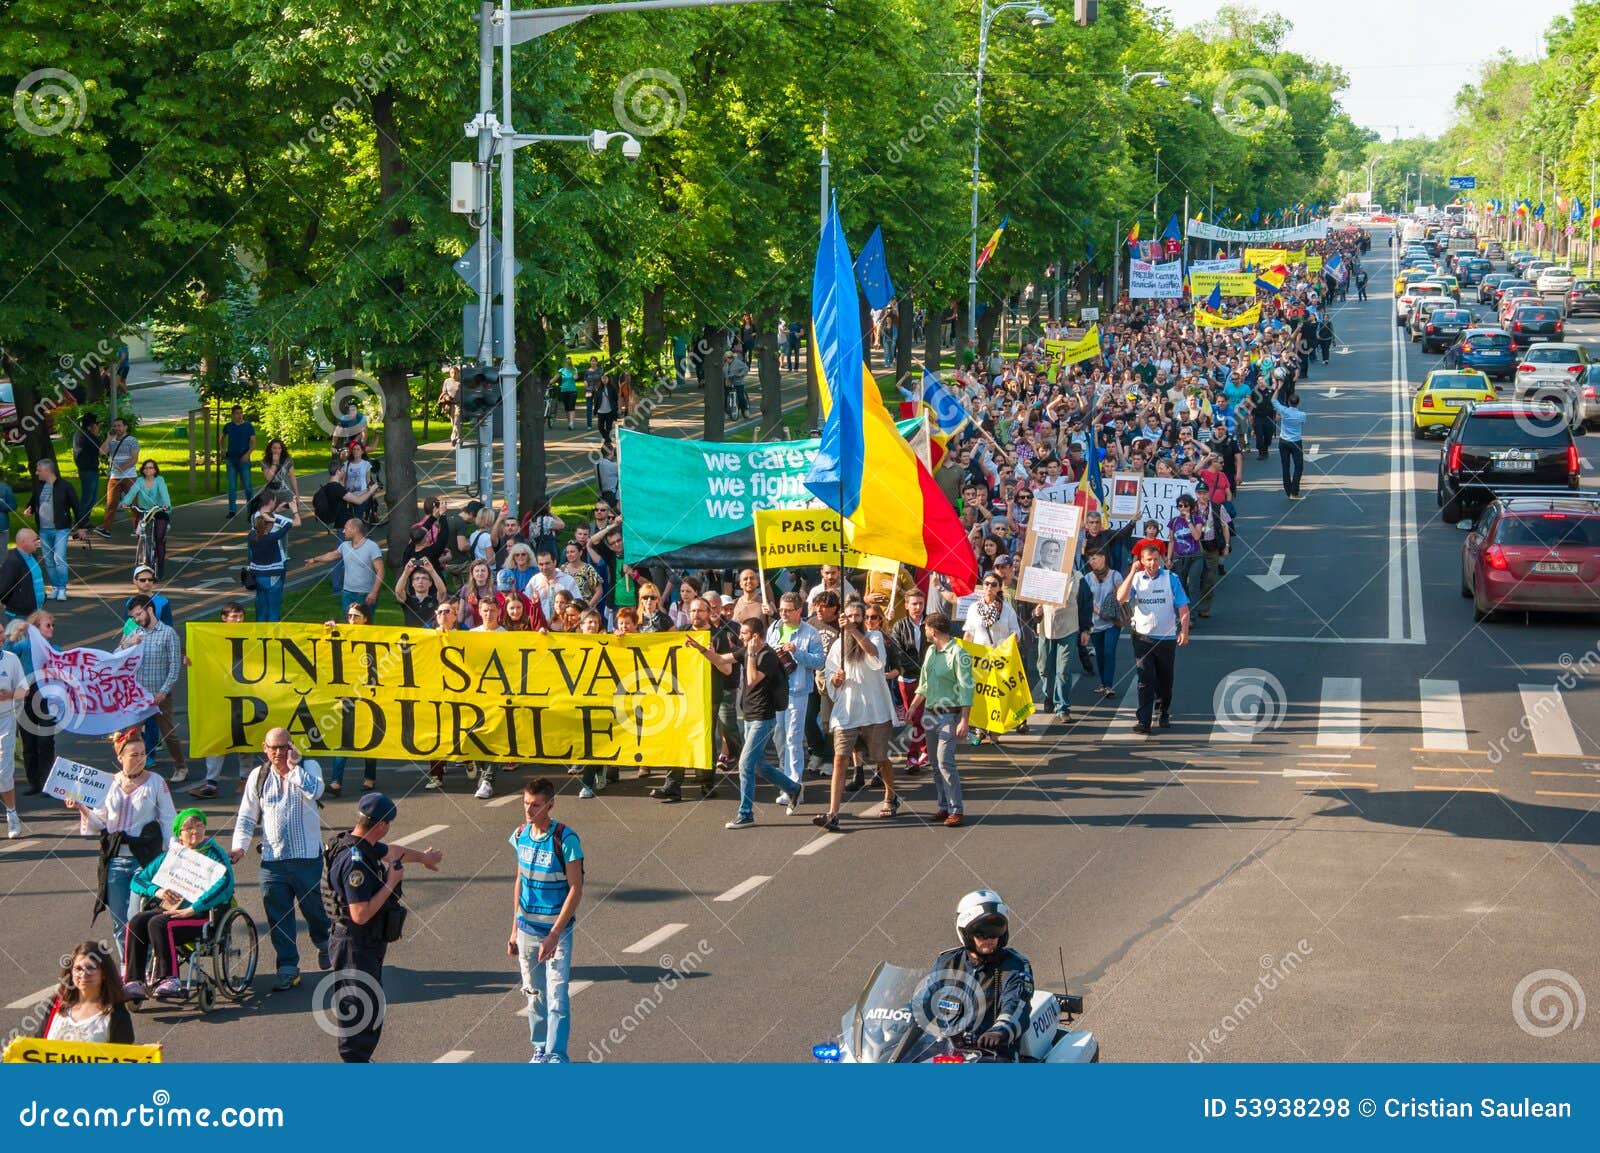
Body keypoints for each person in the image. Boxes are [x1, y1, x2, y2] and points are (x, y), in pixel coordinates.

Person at [324, 791, 444, 1061]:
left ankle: (361, 1059)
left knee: (369, 1004)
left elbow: (393, 851)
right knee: (359, 1008)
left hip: (363, 942)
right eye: (388, 823)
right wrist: (391, 882)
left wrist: (423, 858)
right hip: (355, 943)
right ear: (381, 825)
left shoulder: (358, 843)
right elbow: (360, 913)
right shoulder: (355, 861)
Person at [231, 727, 331, 991]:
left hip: (307, 859)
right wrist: (239, 847)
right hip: (272, 861)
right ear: (264, 748)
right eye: (273, 748)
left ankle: (324, 942)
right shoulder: (258, 775)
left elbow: (316, 791)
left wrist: (294, 768)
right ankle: (288, 967)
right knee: (278, 915)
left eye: (283, 747)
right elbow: (247, 815)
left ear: (292, 746)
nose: (278, 753)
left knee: (314, 910)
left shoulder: (309, 767)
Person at [68, 727, 176, 954]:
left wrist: (176, 853)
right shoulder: (108, 783)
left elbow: (169, 820)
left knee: (137, 919)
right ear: (120, 757)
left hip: (144, 861)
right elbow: (99, 822)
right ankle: (127, 967)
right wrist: (81, 807)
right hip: (115, 862)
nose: (140, 759)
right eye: (134, 755)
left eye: (143, 753)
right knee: (120, 923)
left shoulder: (156, 782)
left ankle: (145, 965)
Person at [697, 619, 801, 830]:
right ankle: (793, 788)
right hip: (749, 716)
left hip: (763, 719)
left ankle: (745, 814)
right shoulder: (746, 650)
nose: (740, 636)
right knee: (758, 764)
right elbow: (721, 659)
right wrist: (702, 649)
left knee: (745, 764)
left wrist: (751, 654)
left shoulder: (767, 656)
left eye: (744, 633)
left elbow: (752, 679)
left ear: (755, 636)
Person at [508, 777, 584, 1062]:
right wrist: (514, 929)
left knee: (557, 995)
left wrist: (554, 934)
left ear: (550, 805)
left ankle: (556, 1055)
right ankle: (539, 1048)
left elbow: (576, 889)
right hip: (527, 927)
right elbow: (520, 881)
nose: (529, 810)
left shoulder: (566, 839)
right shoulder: (520, 835)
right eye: (526, 803)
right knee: (534, 993)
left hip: (556, 931)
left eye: (536, 805)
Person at [122, 808, 234, 998]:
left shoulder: (214, 853)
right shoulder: (172, 855)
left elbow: (226, 884)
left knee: (158, 923)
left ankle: (169, 978)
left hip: (203, 915)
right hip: (170, 909)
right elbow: (138, 880)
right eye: (188, 828)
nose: (195, 831)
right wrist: (157, 891)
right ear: (179, 834)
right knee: (137, 921)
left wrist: (193, 909)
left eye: (199, 826)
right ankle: (134, 980)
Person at [814, 600, 897, 832]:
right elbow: (830, 676)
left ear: (863, 619)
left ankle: (891, 796)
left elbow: (875, 657)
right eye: (848, 616)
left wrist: (853, 631)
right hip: (847, 712)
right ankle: (833, 813)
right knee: (840, 758)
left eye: (857, 616)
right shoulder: (838, 645)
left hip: (874, 710)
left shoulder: (874, 636)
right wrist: (835, 679)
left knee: (880, 758)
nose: (853, 620)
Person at [919, 890, 1033, 1058]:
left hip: (991, 1054)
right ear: (965, 932)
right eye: (982, 932)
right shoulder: (947, 962)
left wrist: (999, 1031)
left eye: (996, 930)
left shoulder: (1014, 966)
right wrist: (897, 1018)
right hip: (946, 1049)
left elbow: (1016, 1006)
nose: (990, 938)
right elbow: (922, 1001)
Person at [1115, 541, 1190, 735]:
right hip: (1143, 638)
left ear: (1161, 560)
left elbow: (1183, 607)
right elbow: (1120, 598)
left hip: (1166, 638)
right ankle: (1144, 721)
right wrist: (1132, 572)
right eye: (1148, 560)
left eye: (1156, 559)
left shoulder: (1171, 578)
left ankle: (1163, 711)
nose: (1153, 563)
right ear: (1141, 561)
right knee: (1145, 680)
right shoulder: (1136, 579)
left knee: (1165, 679)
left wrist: (1184, 630)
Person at [909, 612, 973, 827]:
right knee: (936, 765)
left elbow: (966, 688)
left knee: (945, 761)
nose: (924, 631)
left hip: (949, 715)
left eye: (926, 627)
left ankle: (956, 809)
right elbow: (924, 684)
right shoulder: (930, 651)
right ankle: (943, 805)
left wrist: (964, 720)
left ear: (933, 631)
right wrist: (913, 706)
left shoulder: (959, 653)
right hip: (930, 714)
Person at [120, 594, 188, 782]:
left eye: (138, 614)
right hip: (138, 695)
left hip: (160, 695)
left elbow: (174, 667)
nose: (136, 619)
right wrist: (129, 643)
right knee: (130, 734)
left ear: (150, 610)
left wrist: (163, 692)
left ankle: (180, 766)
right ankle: (132, 769)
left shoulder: (168, 633)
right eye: (133, 617)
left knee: (168, 733)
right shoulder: (136, 632)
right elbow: (119, 654)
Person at [763, 591, 825, 793]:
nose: (783, 614)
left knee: (793, 738)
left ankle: (793, 786)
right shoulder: (774, 628)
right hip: (775, 691)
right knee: (779, 737)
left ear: (799, 611)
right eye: (781, 609)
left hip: (797, 691)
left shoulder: (810, 633)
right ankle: (785, 780)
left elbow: (819, 662)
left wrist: (797, 652)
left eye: (788, 610)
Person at [37, 941, 135, 1045]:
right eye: (78, 968)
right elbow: (37, 1044)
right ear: (71, 972)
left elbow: (124, 1053)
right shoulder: (56, 1004)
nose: (84, 974)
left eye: (91, 968)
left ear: (104, 974)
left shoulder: (117, 1015)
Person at [26, 458, 86, 601]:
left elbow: (77, 506)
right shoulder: (39, 486)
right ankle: (55, 587)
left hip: (61, 529)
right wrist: (29, 509)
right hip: (44, 530)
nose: (36, 473)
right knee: (48, 560)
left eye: (39, 470)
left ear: (48, 470)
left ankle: (62, 588)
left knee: (59, 558)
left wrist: (82, 527)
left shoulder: (65, 486)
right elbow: (33, 502)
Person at [889, 590, 931, 773]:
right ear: (906, 605)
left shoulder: (930, 623)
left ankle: (913, 757)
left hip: (927, 678)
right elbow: (897, 652)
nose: (918, 607)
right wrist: (914, 668)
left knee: (919, 717)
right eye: (914, 604)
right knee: (914, 718)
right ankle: (925, 751)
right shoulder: (899, 626)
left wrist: (926, 671)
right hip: (906, 678)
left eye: (921, 603)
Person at [312, 516, 385, 615]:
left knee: (365, 623)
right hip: (347, 594)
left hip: (365, 595)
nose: (343, 531)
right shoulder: (344, 545)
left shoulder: (372, 547)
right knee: (348, 622)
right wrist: (314, 559)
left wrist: (374, 592)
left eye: (345, 528)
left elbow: (381, 571)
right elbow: (331, 555)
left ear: (354, 529)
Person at [246, 501, 302, 622]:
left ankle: (260, 628)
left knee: (261, 604)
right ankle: (273, 629)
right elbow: (288, 524)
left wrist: (271, 514)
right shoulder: (272, 538)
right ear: (269, 524)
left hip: (258, 575)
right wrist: (275, 518)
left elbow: (256, 527)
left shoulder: (251, 536)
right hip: (273, 576)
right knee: (273, 607)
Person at [1079, 549, 1123, 697]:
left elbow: (1122, 596)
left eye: (1094, 558)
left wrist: (1110, 609)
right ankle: (1103, 684)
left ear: (1103, 558)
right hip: (1095, 622)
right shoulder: (1087, 578)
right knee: (1100, 653)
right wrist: (1098, 611)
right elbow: (1085, 599)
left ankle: (1109, 686)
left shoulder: (1115, 575)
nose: (1091, 562)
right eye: (1089, 559)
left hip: (1112, 622)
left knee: (1109, 652)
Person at [120, 460, 173, 578]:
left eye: (151, 468)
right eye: (146, 468)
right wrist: (125, 503)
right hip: (144, 511)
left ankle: (160, 567)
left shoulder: (159, 480)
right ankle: (145, 555)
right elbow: (132, 493)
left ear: (155, 470)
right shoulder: (139, 481)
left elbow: (164, 494)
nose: (148, 470)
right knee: (140, 532)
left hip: (159, 510)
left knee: (159, 537)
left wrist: (166, 504)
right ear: (143, 470)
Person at [0, 628, 26, 838]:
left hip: (5, 719)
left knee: (3, 771)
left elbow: (24, 690)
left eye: (2, 633)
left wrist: (9, 694)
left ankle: (12, 814)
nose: (2, 637)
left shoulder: (11, 659)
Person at [96, 417, 139, 535]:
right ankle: (106, 529)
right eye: (115, 426)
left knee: (134, 503)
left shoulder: (132, 440)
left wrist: (123, 468)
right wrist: (108, 438)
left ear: (125, 427)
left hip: (129, 476)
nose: (117, 428)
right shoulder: (112, 441)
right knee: (111, 503)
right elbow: (101, 452)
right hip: (114, 477)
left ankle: (138, 528)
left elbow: (134, 459)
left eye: (119, 426)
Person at [0, 529, 46, 620]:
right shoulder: (13, 561)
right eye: (34, 540)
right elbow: (4, 587)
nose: (37, 542)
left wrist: (44, 597)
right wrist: (11, 604)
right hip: (20, 614)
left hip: (35, 610)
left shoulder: (32, 556)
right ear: (23, 542)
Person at [222, 405, 256, 517]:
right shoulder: (228, 426)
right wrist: (223, 450)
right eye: (237, 413)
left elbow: (253, 443)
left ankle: (251, 510)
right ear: (232, 415)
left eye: (241, 413)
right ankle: (232, 510)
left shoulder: (248, 426)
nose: (240, 415)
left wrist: (247, 454)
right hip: (231, 460)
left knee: (248, 486)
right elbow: (222, 437)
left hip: (244, 460)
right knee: (232, 486)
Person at [1273, 388, 1305, 498]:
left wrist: (1278, 388)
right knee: (1299, 466)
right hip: (1296, 441)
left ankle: (1288, 490)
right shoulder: (1302, 415)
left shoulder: (1284, 411)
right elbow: (1302, 423)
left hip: (1283, 441)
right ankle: (1294, 491)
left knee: (1285, 466)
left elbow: (1273, 400)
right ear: (1298, 403)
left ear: (1288, 402)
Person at [72, 412, 103, 515]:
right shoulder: (87, 436)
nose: (98, 428)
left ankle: (84, 519)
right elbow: (101, 450)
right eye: (97, 425)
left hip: (89, 469)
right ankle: (80, 520)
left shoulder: (81, 434)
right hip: (88, 470)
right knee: (88, 498)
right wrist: (109, 438)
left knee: (92, 498)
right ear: (92, 426)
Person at [259, 438, 299, 511]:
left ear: (282, 449)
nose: (277, 450)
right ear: (270, 449)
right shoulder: (265, 461)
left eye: (279, 448)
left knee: (287, 515)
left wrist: (297, 495)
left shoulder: (288, 460)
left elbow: (292, 478)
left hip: (286, 493)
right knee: (271, 516)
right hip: (271, 495)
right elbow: (269, 478)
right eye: (274, 448)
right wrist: (274, 463)